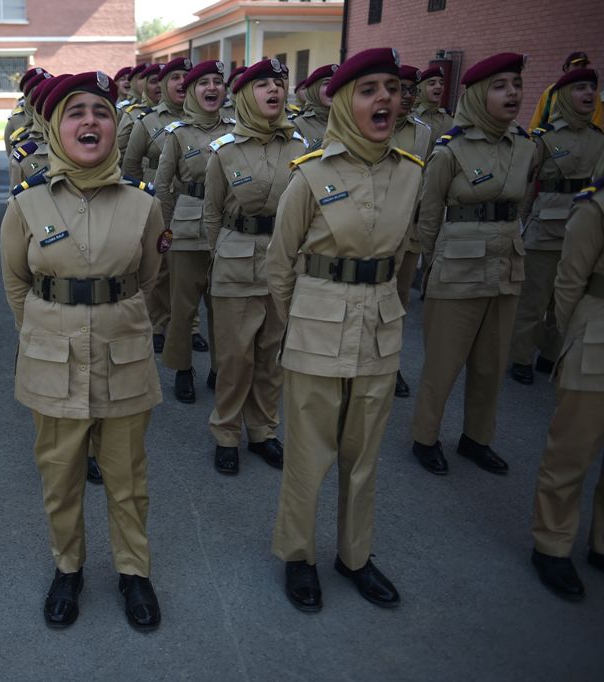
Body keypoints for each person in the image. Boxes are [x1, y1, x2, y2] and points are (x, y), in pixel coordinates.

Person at [0, 71, 165, 630]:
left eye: (101, 110)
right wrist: (47, 334)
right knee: (61, 475)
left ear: (115, 125)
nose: (89, 120)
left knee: (127, 478)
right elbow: (17, 284)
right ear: (54, 127)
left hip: (125, 358)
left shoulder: (143, 204)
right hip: (53, 360)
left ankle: (133, 571)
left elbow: (146, 277)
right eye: (76, 112)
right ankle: (67, 568)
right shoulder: (27, 203)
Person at [268, 48, 423, 612]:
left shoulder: (412, 173)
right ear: (340, 103)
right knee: (310, 454)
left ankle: (355, 556)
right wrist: (304, 324)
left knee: (364, 456)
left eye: (391, 87)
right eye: (368, 89)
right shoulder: (310, 177)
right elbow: (279, 267)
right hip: (315, 329)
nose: (384, 98)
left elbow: (404, 257)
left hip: (380, 329)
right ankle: (298, 555)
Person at [410, 53, 538, 476]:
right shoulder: (451, 150)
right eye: (500, 86)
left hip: (505, 266)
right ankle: (425, 437)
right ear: (480, 94)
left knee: (491, 363)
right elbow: (428, 218)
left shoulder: (526, 146)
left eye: (516, 84)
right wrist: (432, 268)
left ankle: (476, 439)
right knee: (443, 363)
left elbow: (522, 204)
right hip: (457, 270)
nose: (513, 93)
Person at [202, 58, 304, 475]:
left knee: (271, 356)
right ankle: (226, 432)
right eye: (263, 84)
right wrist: (224, 254)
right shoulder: (224, 151)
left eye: (279, 83)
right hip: (235, 264)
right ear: (245, 95)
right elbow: (211, 216)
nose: (274, 90)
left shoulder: (300, 148)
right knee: (234, 358)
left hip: (282, 263)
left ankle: (263, 430)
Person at [528, 155, 604, 602]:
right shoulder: (595, 208)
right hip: (596, 333)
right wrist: (570, 340)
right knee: (573, 449)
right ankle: (552, 544)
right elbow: (569, 283)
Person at [509, 68, 604, 385]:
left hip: (584, 232)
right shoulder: (544, 137)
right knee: (534, 299)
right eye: (580, 87)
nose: (589, 93)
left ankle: (550, 354)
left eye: (592, 87)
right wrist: (518, 227)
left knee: (566, 298)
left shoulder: (598, 139)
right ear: (564, 95)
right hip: (544, 228)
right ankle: (520, 356)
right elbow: (525, 185)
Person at [155, 60, 235, 403]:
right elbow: (162, 186)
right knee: (183, 306)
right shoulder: (178, 133)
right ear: (191, 91)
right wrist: (169, 230)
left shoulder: (236, 130)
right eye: (204, 82)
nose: (212, 88)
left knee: (223, 307)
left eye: (218, 81)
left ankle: (220, 368)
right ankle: (183, 368)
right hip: (186, 230)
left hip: (228, 231)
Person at [122, 58, 192, 354]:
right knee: (160, 266)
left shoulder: (210, 122)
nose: (181, 83)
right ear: (163, 84)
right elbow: (130, 163)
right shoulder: (148, 120)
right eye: (174, 77)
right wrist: (142, 199)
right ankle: (159, 323)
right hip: (158, 202)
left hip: (193, 204)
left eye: (186, 77)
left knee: (191, 270)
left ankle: (192, 326)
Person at [389, 64, 434, 398]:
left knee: (398, 301)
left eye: (411, 90)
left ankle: (391, 365)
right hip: (370, 227)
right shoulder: (372, 122)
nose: (406, 96)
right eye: (399, 88)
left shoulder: (423, 132)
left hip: (407, 228)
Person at [529, 52, 604, 130]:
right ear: (566, 68)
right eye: (576, 65)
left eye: (583, 65)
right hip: (552, 139)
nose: (580, 68)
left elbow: (597, 125)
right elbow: (536, 122)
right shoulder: (552, 91)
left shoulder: (592, 93)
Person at [292, 64, 337, 150]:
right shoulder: (299, 125)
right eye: (327, 83)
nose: (333, 88)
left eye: (337, 83)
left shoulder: (354, 122)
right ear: (314, 90)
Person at [413, 65, 453, 145]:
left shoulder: (449, 118)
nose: (439, 86)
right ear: (421, 88)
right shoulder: (409, 117)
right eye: (432, 83)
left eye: (442, 83)